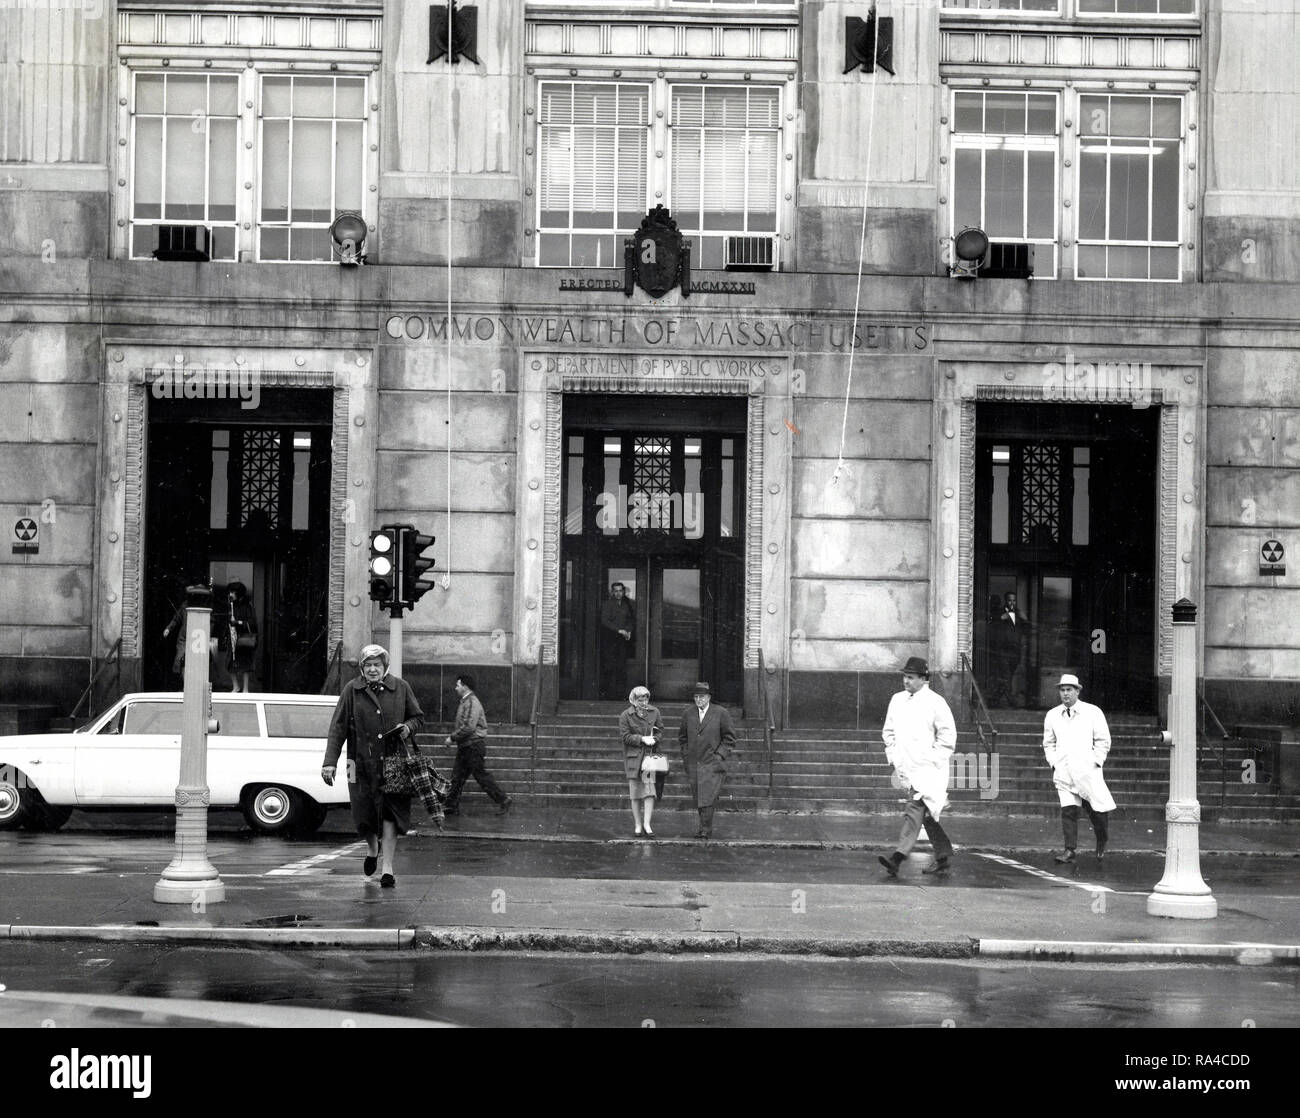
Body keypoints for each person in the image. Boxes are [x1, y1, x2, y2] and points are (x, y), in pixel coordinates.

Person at [321, 644, 424, 888]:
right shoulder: (351, 690)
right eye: (368, 665)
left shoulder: (401, 688)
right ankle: (371, 846)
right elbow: (338, 727)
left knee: (390, 815)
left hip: (393, 763)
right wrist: (329, 762)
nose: (372, 669)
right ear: (362, 668)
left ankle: (387, 869)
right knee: (363, 815)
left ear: (385, 667)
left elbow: (418, 717)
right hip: (358, 763)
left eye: (377, 665)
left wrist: (408, 728)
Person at [879, 656, 958, 878]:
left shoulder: (936, 702)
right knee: (927, 814)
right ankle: (943, 856)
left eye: (911, 677)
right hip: (907, 767)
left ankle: (897, 858)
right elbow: (888, 732)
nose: (906, 681)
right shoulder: (897, 700)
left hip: (930, 769)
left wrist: (932, 759)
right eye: (905, 676)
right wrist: (894, 757)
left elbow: (947, 736)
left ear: (923, 679)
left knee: (914, 810)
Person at [1043, 672, 1116, 863]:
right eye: (1062, 690)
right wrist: (1054, 762)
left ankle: (1102, 840)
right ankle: (1069, 850)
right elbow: (1048, 743)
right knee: (1068, 811)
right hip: (1064, 771)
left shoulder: (1092, 712)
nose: (1065, 694)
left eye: (1069, 690)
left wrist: (1096, 762)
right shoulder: (1052, 715)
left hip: (1087, 771)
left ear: (1077, 691)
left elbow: (1103, 740)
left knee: (1097, 812)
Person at [443, 674, 511, 816]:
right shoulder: (466, 702)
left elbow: (469, 727)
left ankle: (503, 799)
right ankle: (450, 806)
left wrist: (452, 738)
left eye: (458, 685)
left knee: (480, 776)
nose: (456, 688)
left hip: (472, 746)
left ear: (465, 687)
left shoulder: (472, 702)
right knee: (457, 777)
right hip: (467, 746)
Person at [678, 681, 735, 839]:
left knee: (708, 796)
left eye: (702, 697)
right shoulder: (688, 713)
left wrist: (719, 755)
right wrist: (686, 754)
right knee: (699, 795)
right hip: (694, 762)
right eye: (696, 697)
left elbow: (730, 738)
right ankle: (703, 828)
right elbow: (682, 737)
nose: (699, 700)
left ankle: (705, 829)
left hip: (712, 762)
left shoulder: (721, 713)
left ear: (709, 697)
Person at [619, 685, 664, 836]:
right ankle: (638, 825)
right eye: (640, 699)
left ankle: (647, 824)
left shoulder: (654, 712)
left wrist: (655, 739)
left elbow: (660, 730)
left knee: (650, 792)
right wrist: (641, 739)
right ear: (633, 700)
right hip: (633, 759)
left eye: (645, 699)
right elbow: (625, 737)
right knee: (635, 793)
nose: (643, 702)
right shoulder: (626, 715)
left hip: (650, 758)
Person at [988, 592, 1027, 707]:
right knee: (1006, 676)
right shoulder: (999, 612)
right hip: (1003, 651)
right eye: (1010, 600)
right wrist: (1000, 618)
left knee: (1007, 676)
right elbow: (991, 626)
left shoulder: (1019, 613)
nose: (1012, 603)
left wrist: (1025, 619)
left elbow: (1025, 629)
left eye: (1014, 600)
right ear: (1006, 601)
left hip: (1015, 652)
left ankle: (993, 700)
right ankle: (1011, 702)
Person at [599, 582, 635, 700]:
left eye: (620, 591)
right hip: (610, 639)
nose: (618, 593)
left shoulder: (626, 605)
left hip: (622, 641)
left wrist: (628, 631)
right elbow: (605, 621)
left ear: (623, 592)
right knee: (609, 667)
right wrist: (619, 630)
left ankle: (620, 695)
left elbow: (630, 619)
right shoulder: (608, 604)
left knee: (621, 667)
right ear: (612, 592)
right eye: (616, 591)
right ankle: (607, 694)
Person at [226, 581, 258, 693]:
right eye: (230, 592)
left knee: (246, 663)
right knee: (229, 662)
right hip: (233, 637)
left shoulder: (247, 606)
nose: (231, 594)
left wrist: (238, 622)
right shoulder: (231, 605)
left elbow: (252, 623)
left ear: (239, 593)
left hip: (243, 637)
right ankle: (236, 686)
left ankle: (245, 688)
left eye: (233, 592)